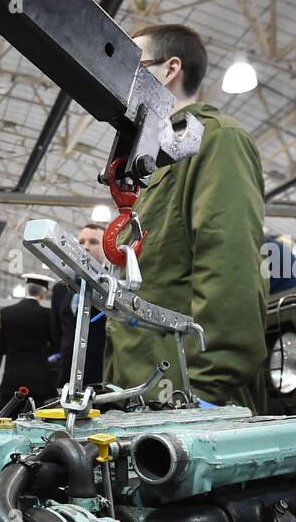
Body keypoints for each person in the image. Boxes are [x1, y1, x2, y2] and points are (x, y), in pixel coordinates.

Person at [104, 24, 267, 411]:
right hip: (142, 389)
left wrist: (208, 390)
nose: (120, 79)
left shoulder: (215, 140)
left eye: (133, 66)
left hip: (186, 396)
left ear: (169, 70)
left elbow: (230, 267)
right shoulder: (156, 161)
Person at [49, 222, 108, 392]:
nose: (85, 247)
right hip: (67, 375)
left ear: (107, 249)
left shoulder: (114, 289)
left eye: (93, 242)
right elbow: (56, 331)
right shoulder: (61, 289)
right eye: (81, 242)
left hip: (101, 376)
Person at [0, 278, 55, 410]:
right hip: (38, 382)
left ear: (25, 290)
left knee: (6, 424)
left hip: (11, 381)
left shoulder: (7, 313)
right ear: (42, 294)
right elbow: (56, 344)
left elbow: (0, 348)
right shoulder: (47, 315)